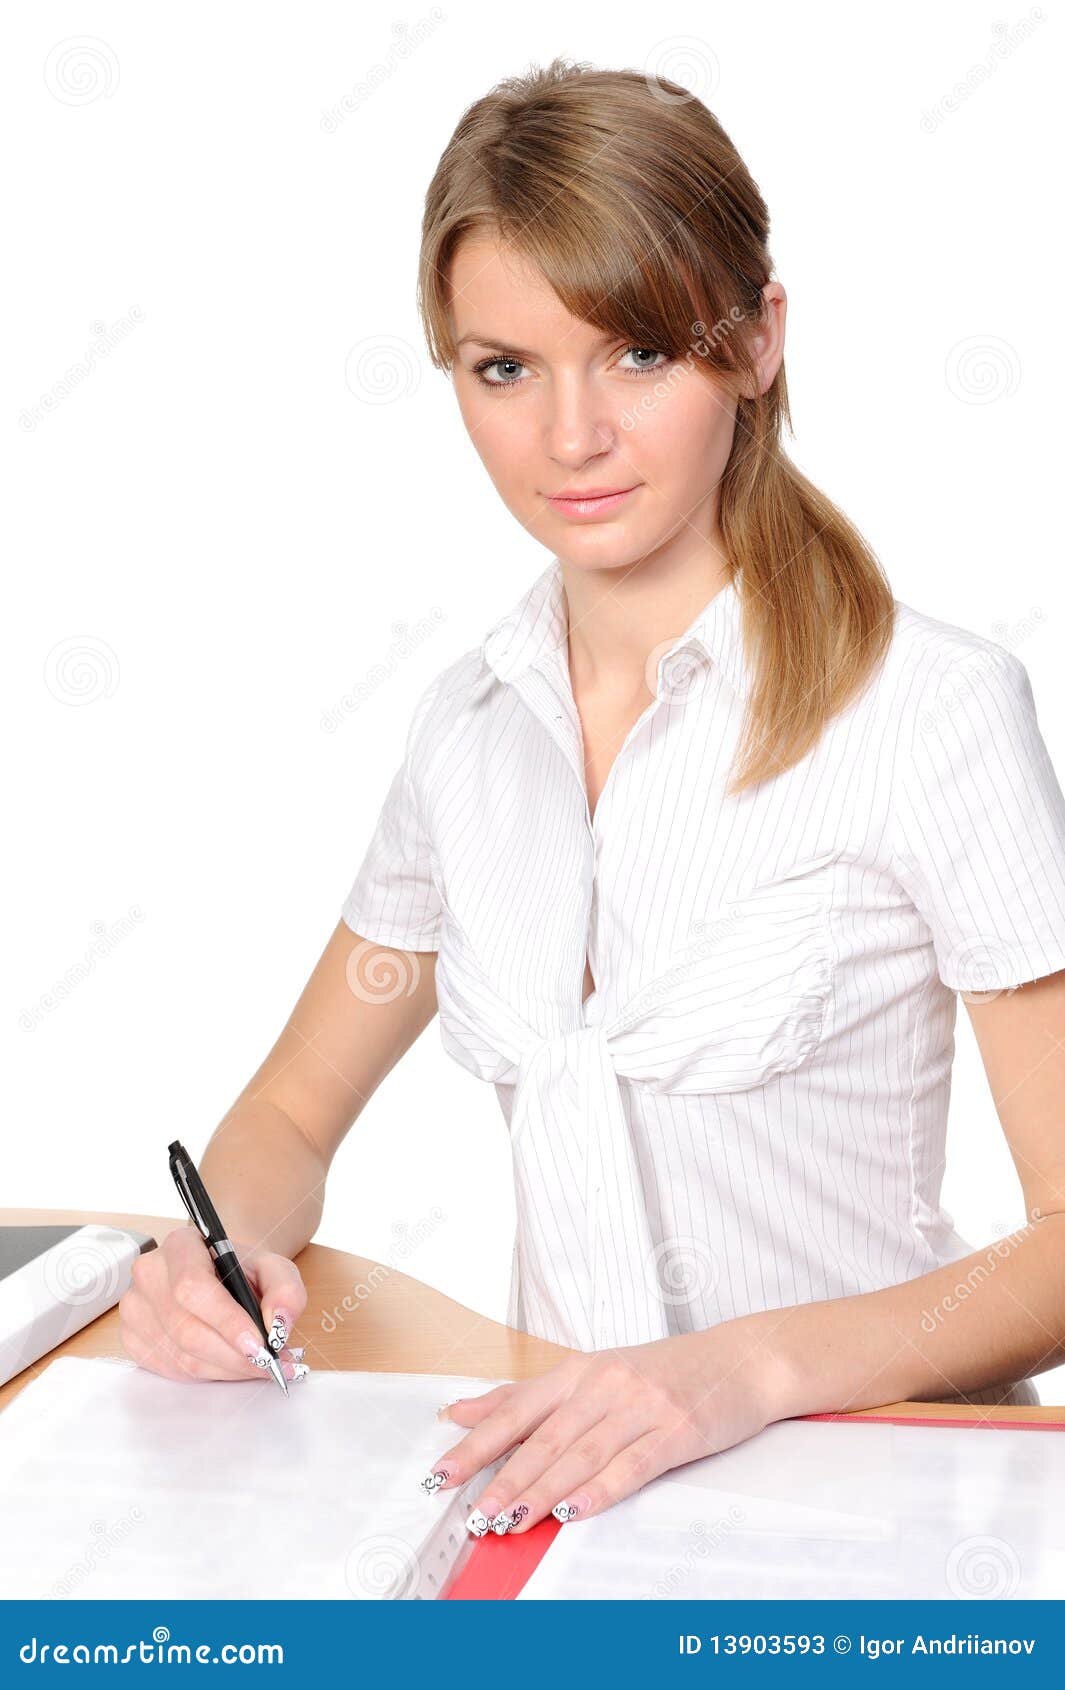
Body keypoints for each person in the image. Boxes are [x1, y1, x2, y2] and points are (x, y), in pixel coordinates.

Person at [120, 58, 1065, 1539]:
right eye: (503, 368)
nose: (568, 437)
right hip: (571, 1522)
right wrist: (216, 1252)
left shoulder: (932, 710)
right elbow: (293, 1110)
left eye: (633, 353)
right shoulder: (466, 731)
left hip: (881, 1521)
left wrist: (736, 1371)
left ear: (754, 343)